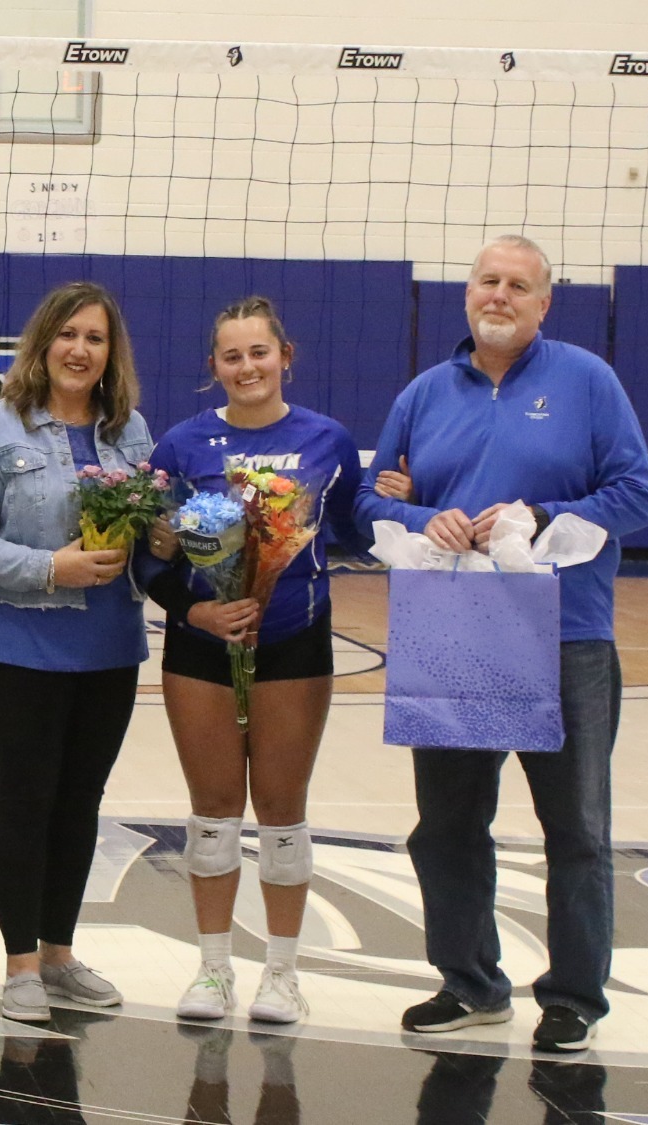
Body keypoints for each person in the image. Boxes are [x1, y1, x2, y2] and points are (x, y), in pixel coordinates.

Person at [356, 234, 648, 1053]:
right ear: (466, 293)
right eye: (488, 281)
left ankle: (572, 998)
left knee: (578, 829)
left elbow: (635, 493)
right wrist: (425, 518)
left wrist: (547, 519)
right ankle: (469, 984)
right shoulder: (424, 393)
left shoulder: (588, 382)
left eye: (519, 286)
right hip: (452, 628)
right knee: (447, 824)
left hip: (567, 633)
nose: (500, 296)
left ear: (545, 302)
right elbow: (367, 501)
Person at [139, 296, 368, 1026]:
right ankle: (212, 970)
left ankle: (282, 973)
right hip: (202, 644)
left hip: (294, 642)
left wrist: (404, 499)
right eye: (232, 357)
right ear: (213, 367)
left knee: (280, 811)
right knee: (212, 812)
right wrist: (195, 607)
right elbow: (151, 557)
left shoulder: (327, 439)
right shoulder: (180, 445)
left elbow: (354, 527)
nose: (248, 367)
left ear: (285, 355)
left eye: (259, 353)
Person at [0, 280, 151, 1023]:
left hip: (109, 643)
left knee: (80, 801)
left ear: (109, 353)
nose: (80, 349)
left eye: (95, 338)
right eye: (68, 334)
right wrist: (47, 568)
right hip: (19, 640)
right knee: (27, 796)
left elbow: (149, 531)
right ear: (44, 342)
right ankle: (20, 963)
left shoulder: (131, 434)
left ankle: (59, 953)